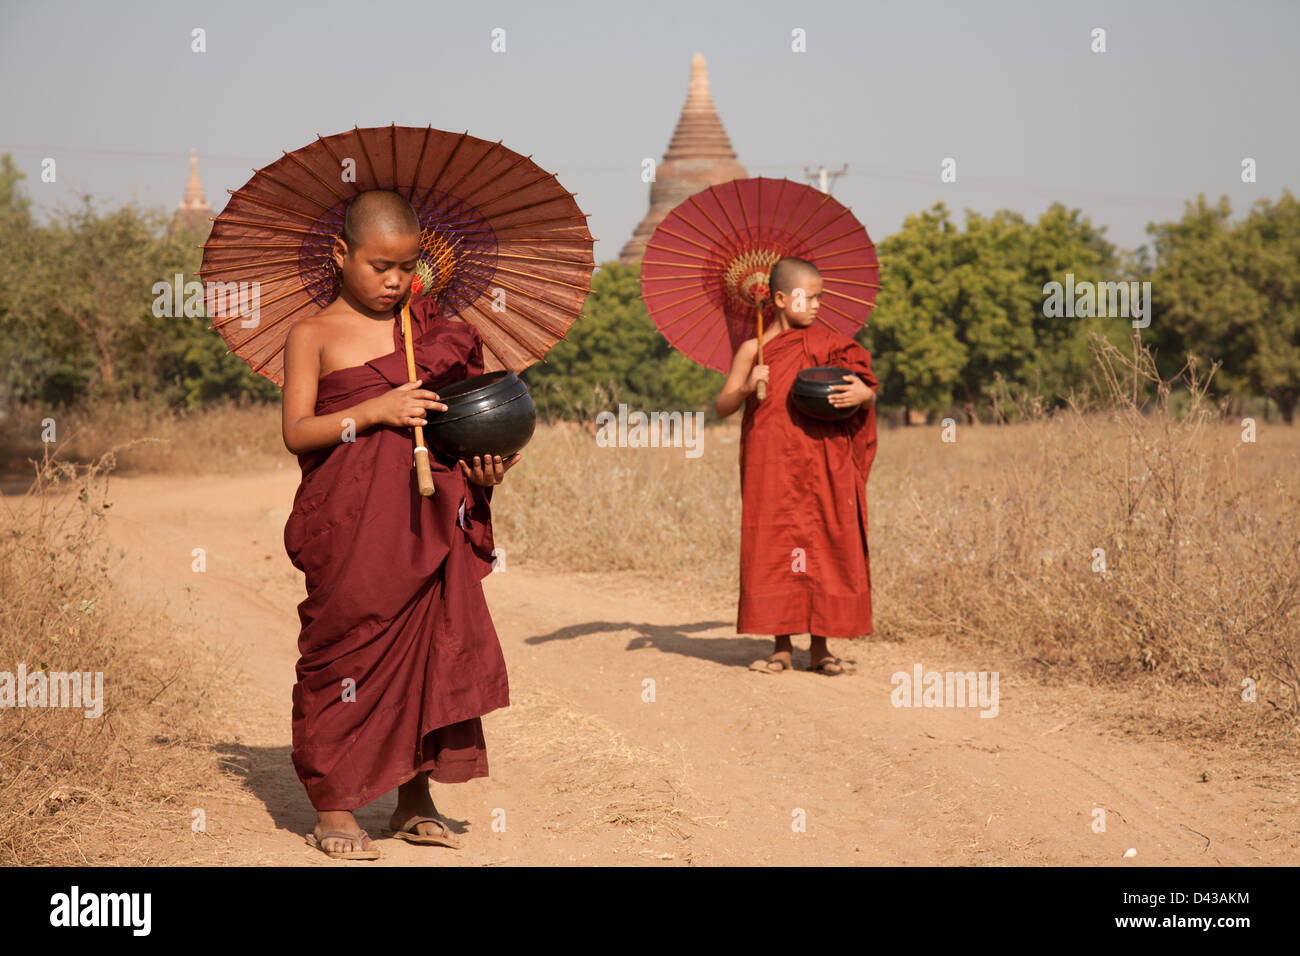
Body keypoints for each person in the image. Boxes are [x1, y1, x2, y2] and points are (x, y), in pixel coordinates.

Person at [281, 189, 518, 859]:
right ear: (340, 255)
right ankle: (334, 805)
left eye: (407, 266)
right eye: (379, 265)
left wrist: (483, 475)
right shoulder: (314, 335)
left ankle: (415, 798)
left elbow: (465, 431)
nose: (395, 281)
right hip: (351, 528)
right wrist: (377, 409)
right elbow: (299, 434)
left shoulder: (434, 336)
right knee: (345, 652)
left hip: (428, 522)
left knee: (430, 650)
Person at [714, 256, 879, 676]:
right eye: (809, 297)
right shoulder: (754, 349)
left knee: (826, 539)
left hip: (825, 459)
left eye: (821, 297)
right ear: (781, 299)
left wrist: (866, 396)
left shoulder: (834, 345)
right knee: (775, 542)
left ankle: (821, 648)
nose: (817, 305)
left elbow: (862, 387)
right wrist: (749, 385)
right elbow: (722, 406)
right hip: (772, 463)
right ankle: (781, 646)